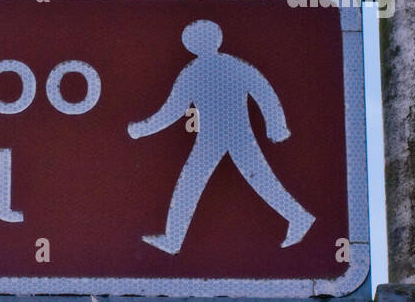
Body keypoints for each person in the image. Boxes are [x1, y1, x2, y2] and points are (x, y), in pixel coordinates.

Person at [128, 19, 313, 254]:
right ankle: (299, 217)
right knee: (249, 181)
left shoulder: (197, 71)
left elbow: (173, 111)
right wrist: (276, 126)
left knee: (202, 183)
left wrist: (141, 129)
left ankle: (299, 218)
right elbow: (263, 92)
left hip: (226, 135)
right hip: (223, 136)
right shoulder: (219, 68)